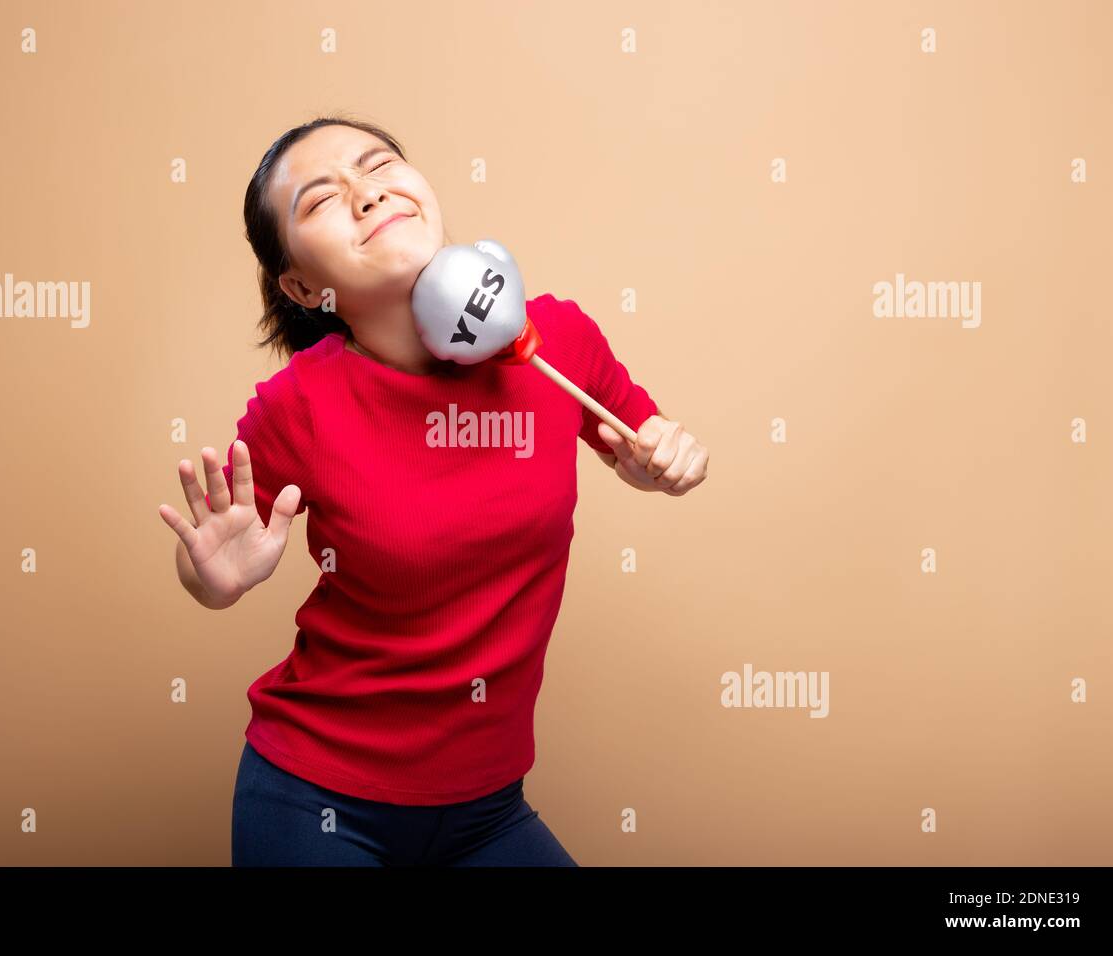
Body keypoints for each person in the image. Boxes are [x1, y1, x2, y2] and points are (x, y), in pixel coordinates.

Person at [157, 115, 709, 866]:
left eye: (379, 164)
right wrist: (210, 579)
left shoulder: (559, 342)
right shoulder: (298, 407)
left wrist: (670, 462)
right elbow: (208, 566)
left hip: (489, 810)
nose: (367, 193)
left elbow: (649, 441)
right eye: (320, 200)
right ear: (301, 285)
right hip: (315, 801)